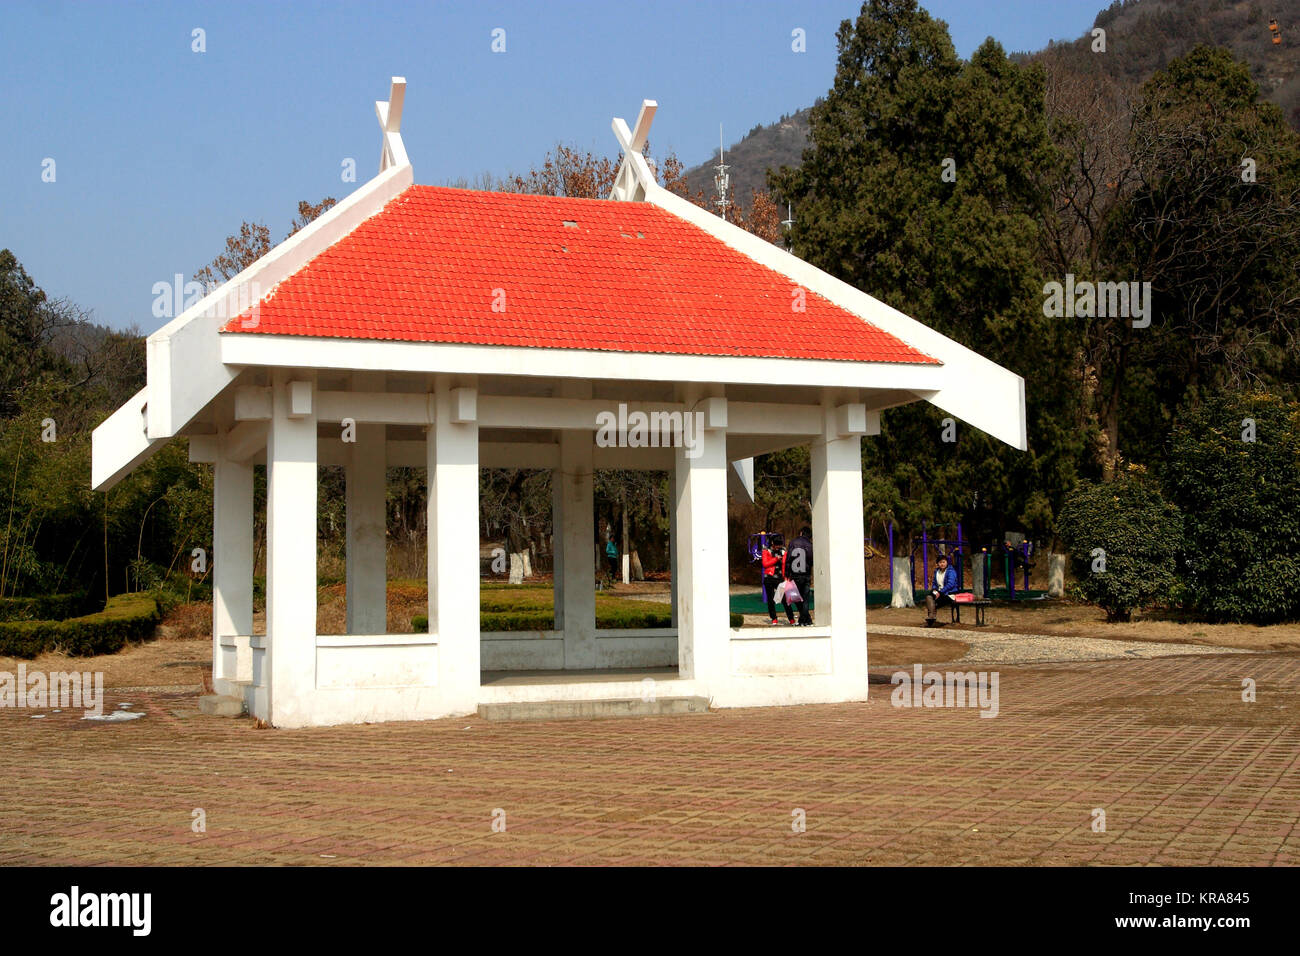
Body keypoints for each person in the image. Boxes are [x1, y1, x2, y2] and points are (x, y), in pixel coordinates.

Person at [784, 526, 814, 626]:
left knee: (796, 598)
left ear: (801, 533)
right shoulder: (810, 544)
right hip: (805, 574)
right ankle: (805, 619)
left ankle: (804, 619)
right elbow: (811, 559)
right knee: (805, 599)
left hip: (795, 574)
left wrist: (787, 573)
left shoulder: (793, 542)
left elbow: (789, 558)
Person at [762, 541, 794, 626]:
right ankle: (774, 618)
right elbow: (765, 564)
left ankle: (791, 618)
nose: (778, 547)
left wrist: (786, 576)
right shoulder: (766, 551)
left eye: (779, 545)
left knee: (784, 599)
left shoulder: (783, 551)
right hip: (769, 577)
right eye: (776, 545)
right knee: (770, 599)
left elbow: (786, 564)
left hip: (779, 578)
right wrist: (776, 559)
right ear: (772, 543)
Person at [924, 554, 958, 626]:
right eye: (940, 562)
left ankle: (931, 618)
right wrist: (934, 590)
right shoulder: (937, 571)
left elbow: (950, 584)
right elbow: (934, 583)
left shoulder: (951, 571)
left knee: (932, 601)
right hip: (939, 593)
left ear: (947, 563)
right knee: (929, 597)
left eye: (943, 562)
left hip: (949, 594)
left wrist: (940, 592)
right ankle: (931, 617)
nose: (942, 564)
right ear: (937, 564)